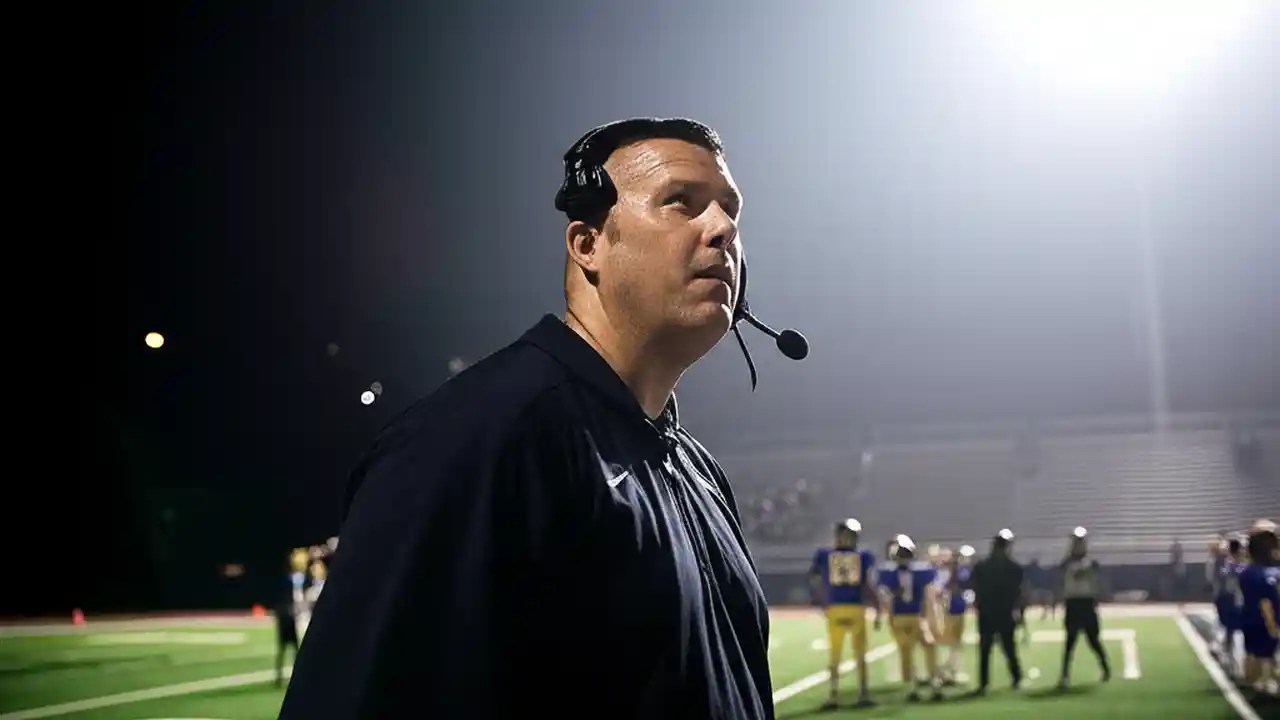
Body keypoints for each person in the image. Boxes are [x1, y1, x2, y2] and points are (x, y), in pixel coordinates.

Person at [279, 117, 808, 719]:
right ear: (587, 244)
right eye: (679, 202)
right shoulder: (471, 443)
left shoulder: (697, 470)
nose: (722, 227)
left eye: (729, 209)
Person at [808, 518, 880, 709]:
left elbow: (814, 578)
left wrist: (821, 599)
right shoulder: (862, 556)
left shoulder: (825, 555)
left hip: (840, 608)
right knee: (849, 654)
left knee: (844, 654)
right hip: (851, 607)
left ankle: (838, 694)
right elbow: (868, 584)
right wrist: (877, 606)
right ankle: (857, 693)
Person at [878, 535, 943, 702]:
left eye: (905, 554)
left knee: (927, 645)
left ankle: (932, 682)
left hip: (914, 616)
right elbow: (884, 594)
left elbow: (930, 590)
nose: (903, 557)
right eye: (901, 554)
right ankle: (914, 686)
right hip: (902, 616)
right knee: (908, 651)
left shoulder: (918, 571)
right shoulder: (891, 573)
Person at [971, 528, 1024, 694]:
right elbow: (1018, 593)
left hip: (990, 612)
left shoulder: (982, 567)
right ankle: (1015, 678)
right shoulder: (1014, 568)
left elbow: (976, 589)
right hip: (1001, 612)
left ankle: (985, 683)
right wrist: (1019, 612)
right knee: (1006, 648)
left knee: (989, 649)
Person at [1057, 527, 1110, 689]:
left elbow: (1097, 583)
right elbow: (1061, 582)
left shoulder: (1091, 563)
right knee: (1070, 642)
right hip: (1073, 603)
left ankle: (1105, 668)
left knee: (1093, 640)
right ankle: (1065, 675)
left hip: (1086, 602)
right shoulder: (1066, 563)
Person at [1238, 522, 1279, 696]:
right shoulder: (1263, 572)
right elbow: (1265, 603)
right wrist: (1272, 625)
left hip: (1254, 620)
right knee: (1265, 657)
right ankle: (1265, 682)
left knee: (1257, 656)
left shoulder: (1249, 572)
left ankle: (1261, 683)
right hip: (1266, 620)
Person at [935, 545, 974, 685]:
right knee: (953, 642)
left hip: (956, 609)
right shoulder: (959, 571)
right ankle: (948, 670)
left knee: (954, 642)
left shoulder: (958, 571)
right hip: (954, 609)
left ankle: (949, 670)